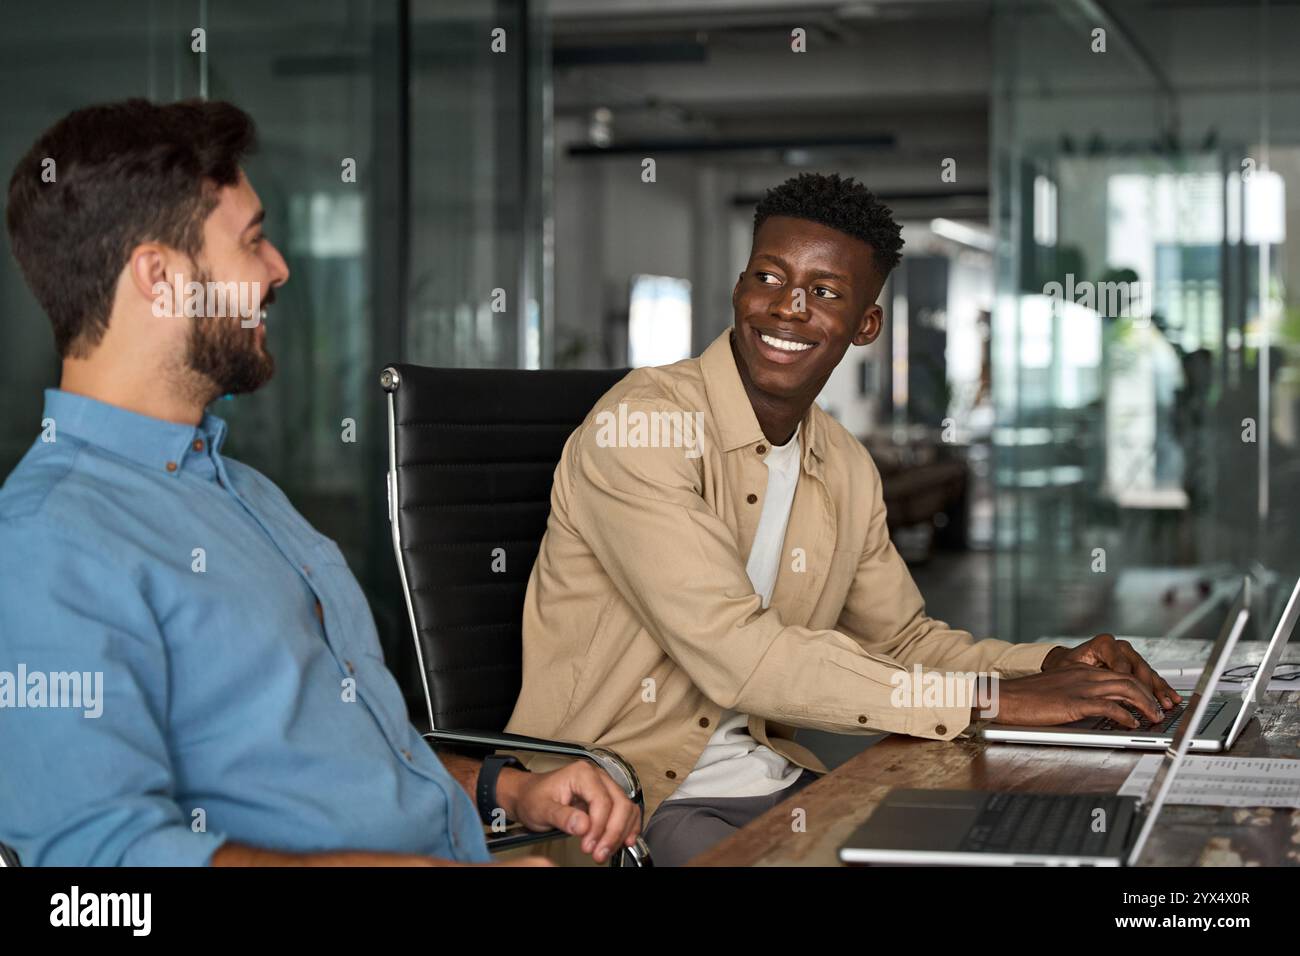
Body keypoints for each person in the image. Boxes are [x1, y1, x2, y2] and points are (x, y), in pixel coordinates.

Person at [0, 99, 641, 867]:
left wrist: (504, 790)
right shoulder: (46, 544)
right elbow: (100, 874)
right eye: (253, 240)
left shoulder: (244, 493)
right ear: (160, 277)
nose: (279, 269)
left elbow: (343, 756)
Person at [505, 172, 1180, 866]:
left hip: (769, 777)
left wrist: (1047, 666)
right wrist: (995, 701)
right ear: (740, 287)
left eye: (824, 292)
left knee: (1015, 845)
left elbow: (904, 643)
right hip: (627, 798)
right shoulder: (641, 427)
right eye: (769, 277)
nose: (788, 308)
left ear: (866, 325)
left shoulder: (843, 464)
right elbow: (742, 655)